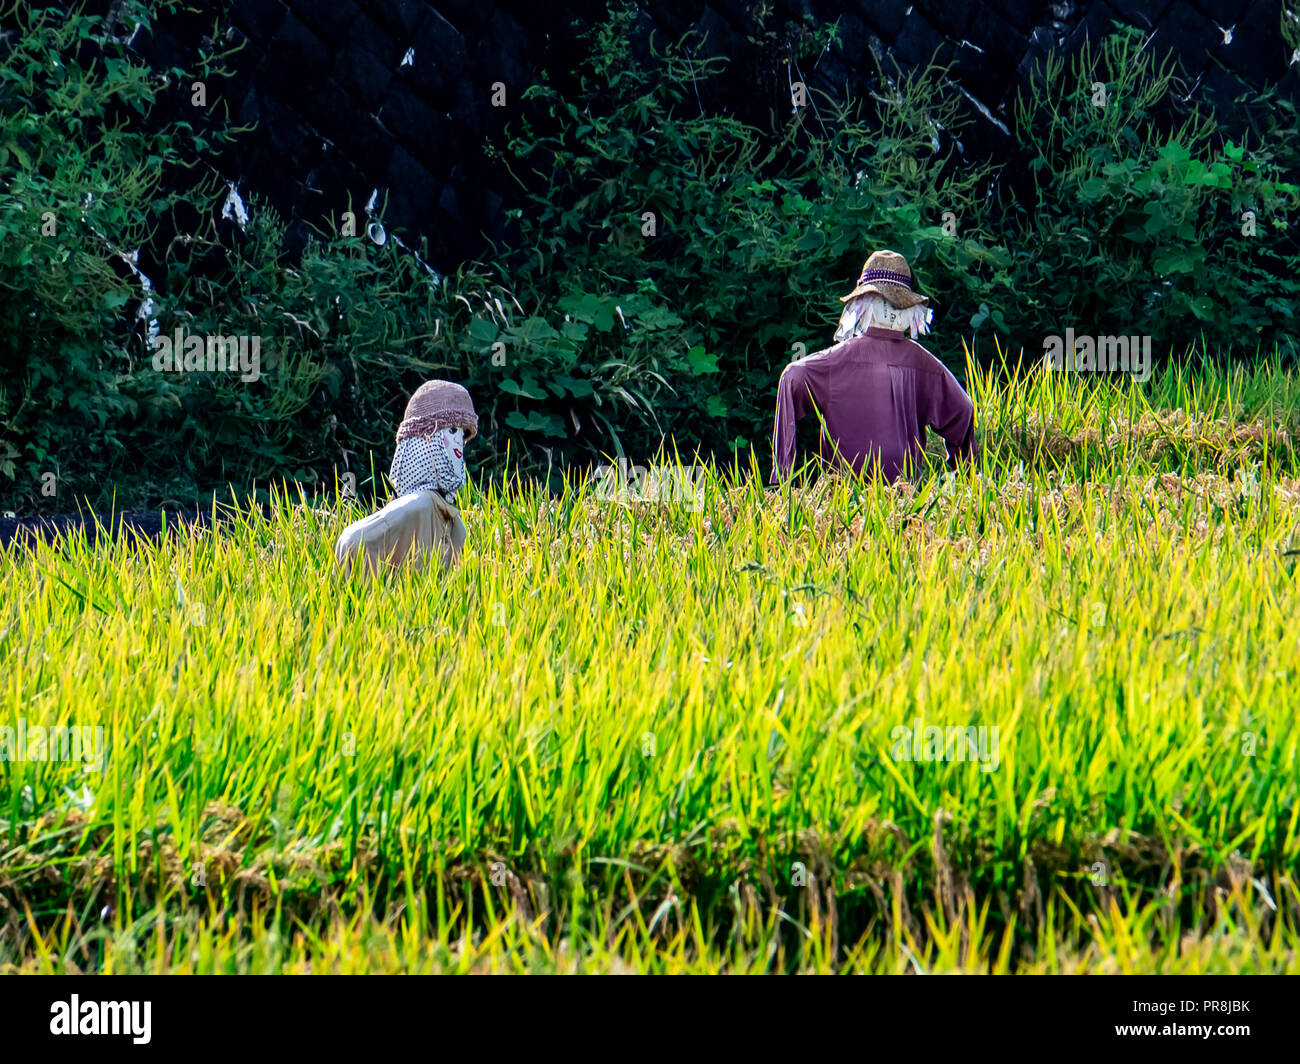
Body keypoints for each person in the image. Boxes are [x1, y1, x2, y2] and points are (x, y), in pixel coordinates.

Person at [771, 250, 977, 484]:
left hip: (844, 501)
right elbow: (963, 410)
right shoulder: (924, 365)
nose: (891, 312)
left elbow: (792, 375)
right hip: (904, 502)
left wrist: (783, 472)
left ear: (861, 304)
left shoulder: (835, 361)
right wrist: (960, 476)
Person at [335, 380, 477, 576]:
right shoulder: (418, 505)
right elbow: (353, 539)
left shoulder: (454, 520)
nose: (458, 444)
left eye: (463, 435)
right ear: (423, 442)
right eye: (451, 431)